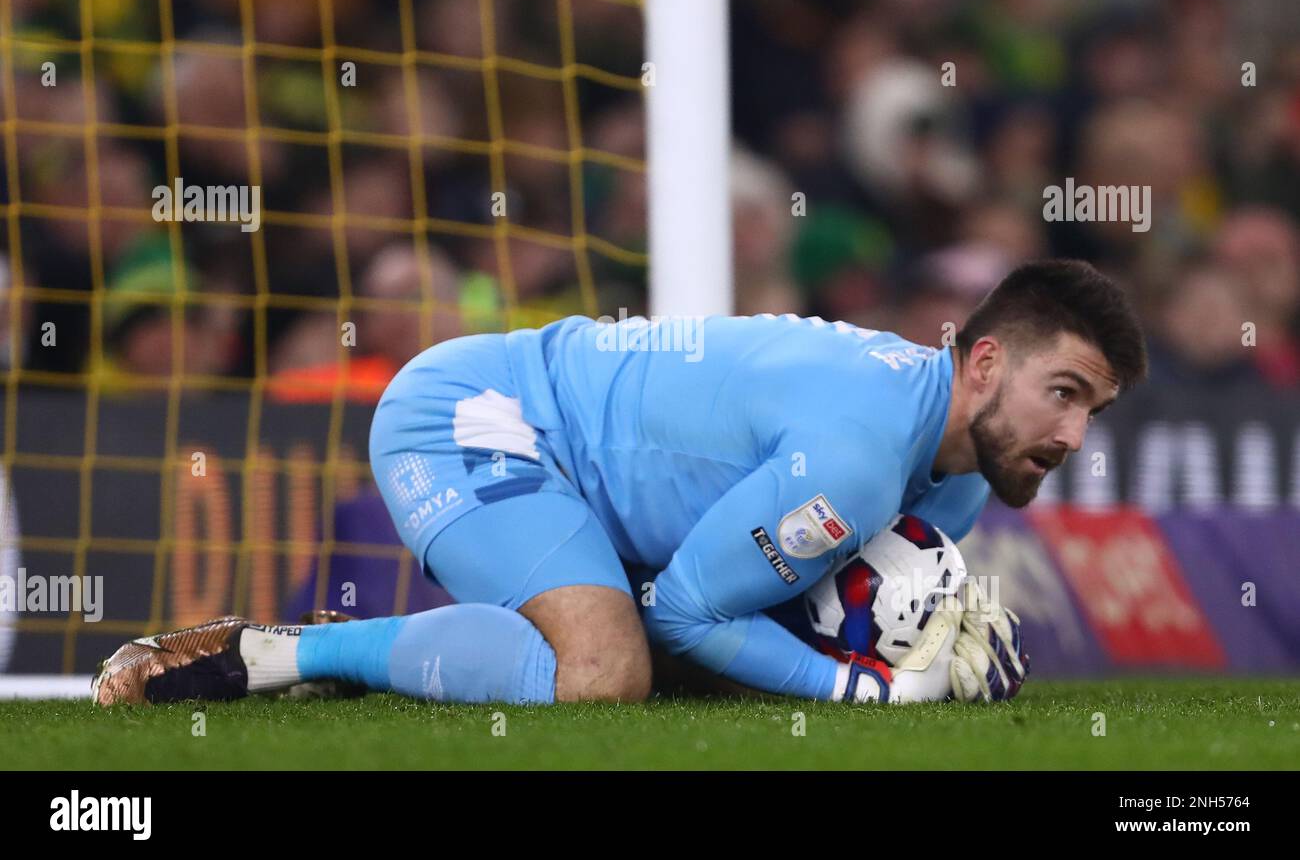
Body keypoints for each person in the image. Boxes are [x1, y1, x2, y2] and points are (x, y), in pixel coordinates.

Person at [92, 259, 1146, 706]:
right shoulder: (862, 452)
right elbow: (689, 606)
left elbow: (748, 608)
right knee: (605, 670)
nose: (1069, 433)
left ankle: (389, 650)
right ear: (986, 361)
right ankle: (277, 651)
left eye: (1088, 411)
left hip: (567, 458)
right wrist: (861, 684)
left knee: (692, 665)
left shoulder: (951, 469)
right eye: (1060, 392)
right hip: (474, 417)